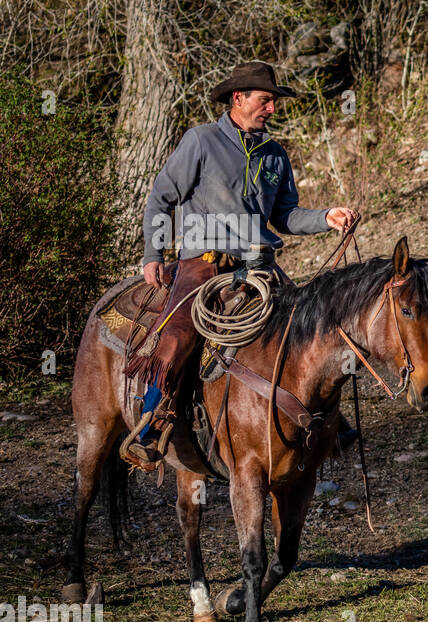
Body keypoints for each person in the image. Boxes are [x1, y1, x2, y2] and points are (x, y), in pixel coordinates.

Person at [121, 61, 358, 470]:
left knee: (309, 328)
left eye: (273, 102)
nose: (271, 109)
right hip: (204, 264)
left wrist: (325, 218)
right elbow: (161, 198)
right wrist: (153, 255)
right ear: (238, 98)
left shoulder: (275, 155)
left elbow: (285, 215)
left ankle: (328, 424)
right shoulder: (201, 141)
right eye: (265, 100)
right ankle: (150, 426)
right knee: (176, 338)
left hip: (261, 265)